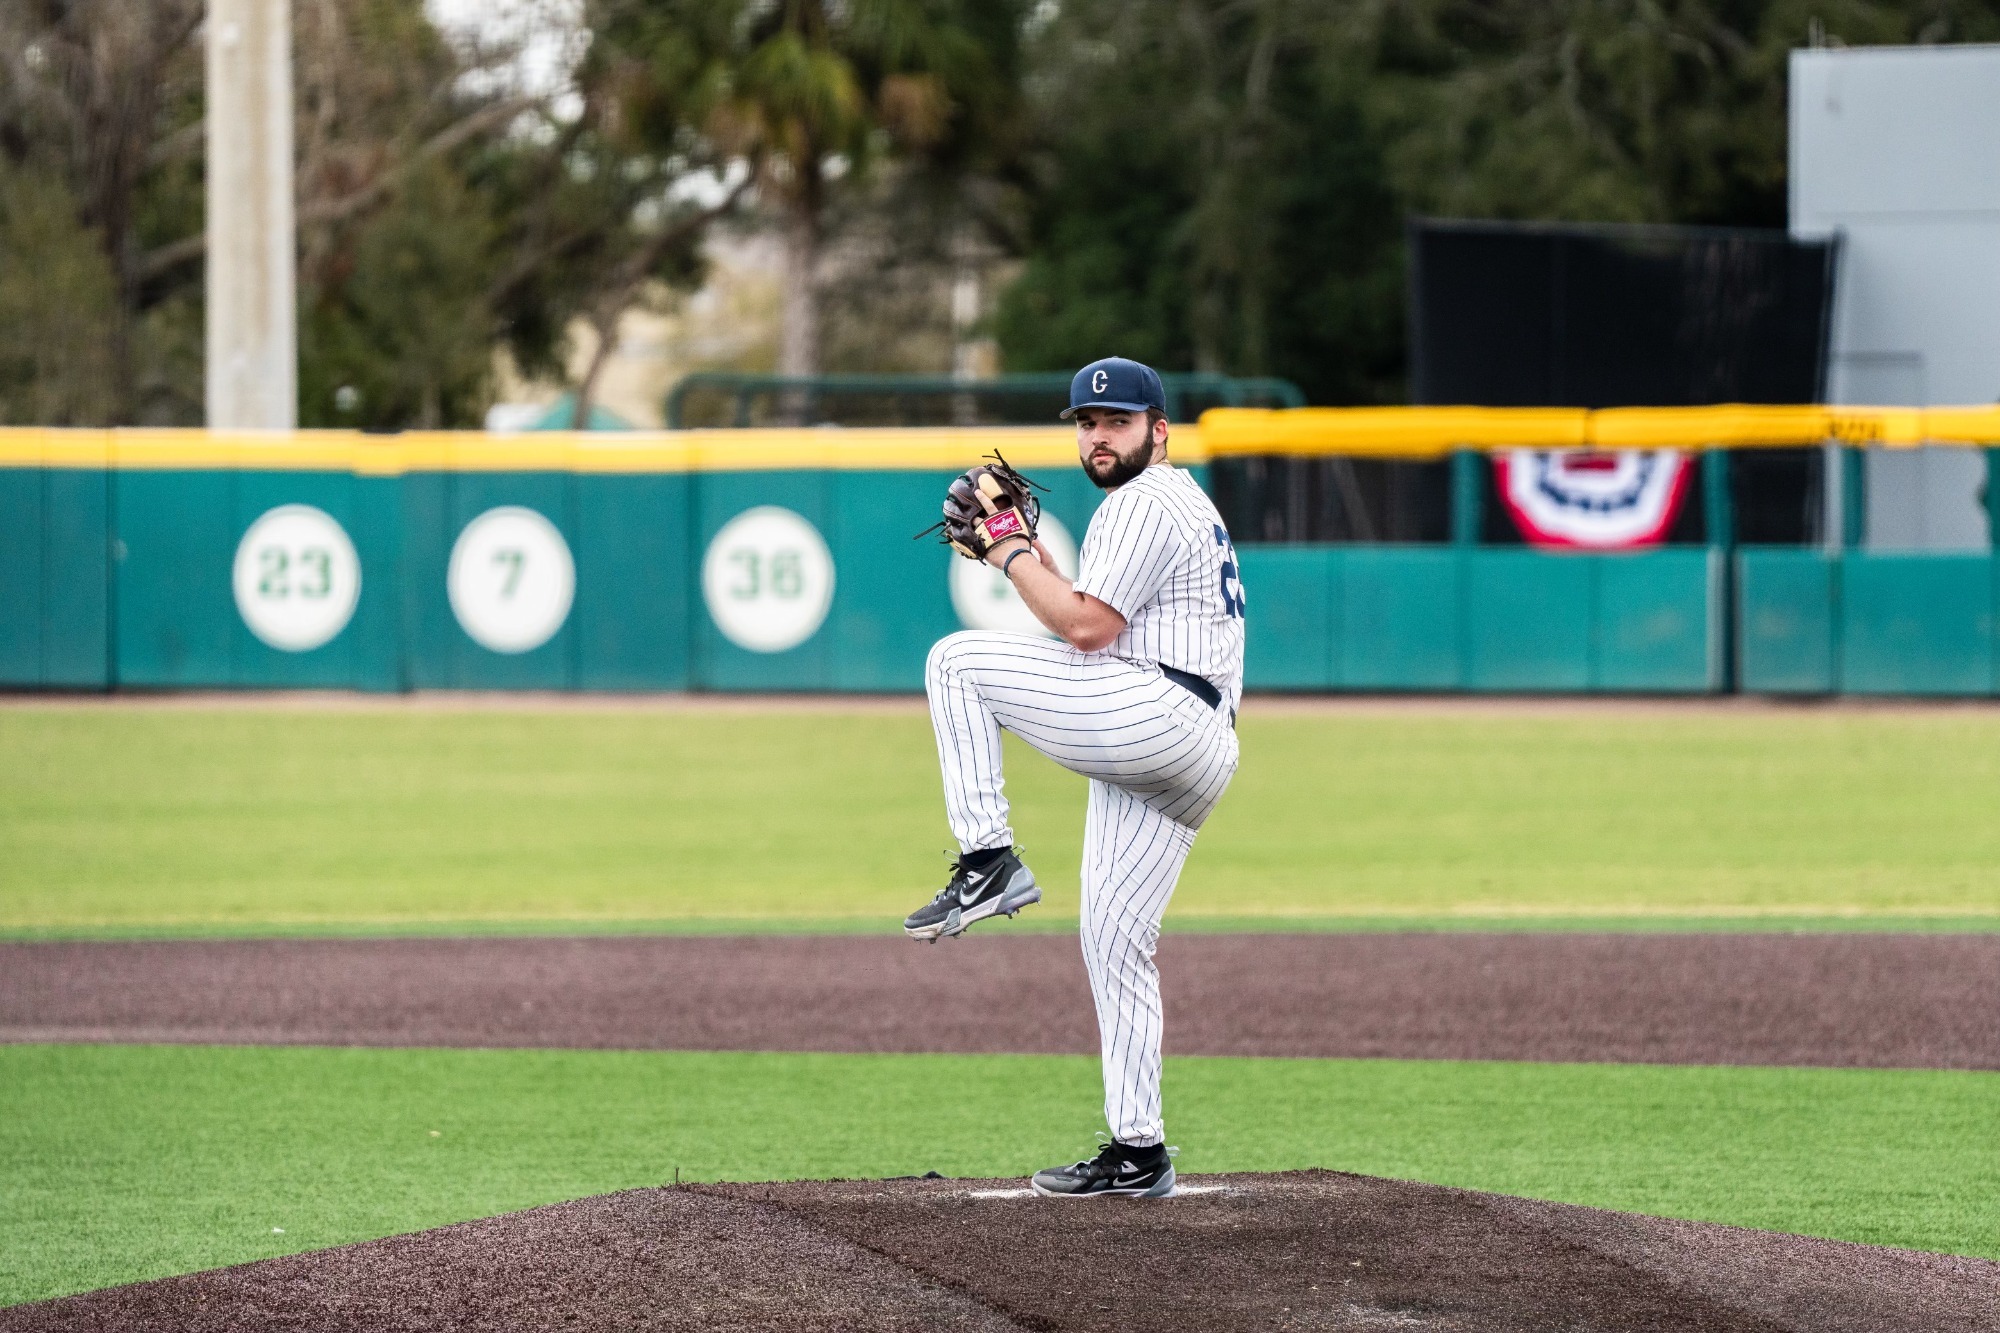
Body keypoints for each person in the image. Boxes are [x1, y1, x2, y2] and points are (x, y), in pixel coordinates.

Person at [903, 356, 1246, 1198]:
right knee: (1115, 939)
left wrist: (1009, 546)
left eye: (1117, 422)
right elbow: (1085, 621)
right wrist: (1024, 556)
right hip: (1191, 743)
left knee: (955, 662)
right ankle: (1139, 1150)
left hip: (1158, 712)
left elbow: (1086, 630)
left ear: (1158, 430)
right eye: (1088, 423)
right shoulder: (1180, 502)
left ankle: (987, 859)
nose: (1098, 436)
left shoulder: (1143, 499)